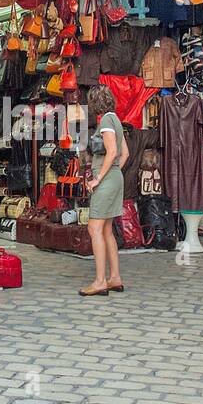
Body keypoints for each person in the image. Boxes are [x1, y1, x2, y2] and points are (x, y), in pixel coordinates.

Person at [80, 86, 128, 297]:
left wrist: (99, 178)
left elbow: (113, 152)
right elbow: (125, 154)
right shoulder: (115, 120)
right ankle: (114, 277)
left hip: (106, 180)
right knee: (106, 230)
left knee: (94, 228)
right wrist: (114, 172)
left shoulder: (106, 122)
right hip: (114, 177)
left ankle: (100, 281)